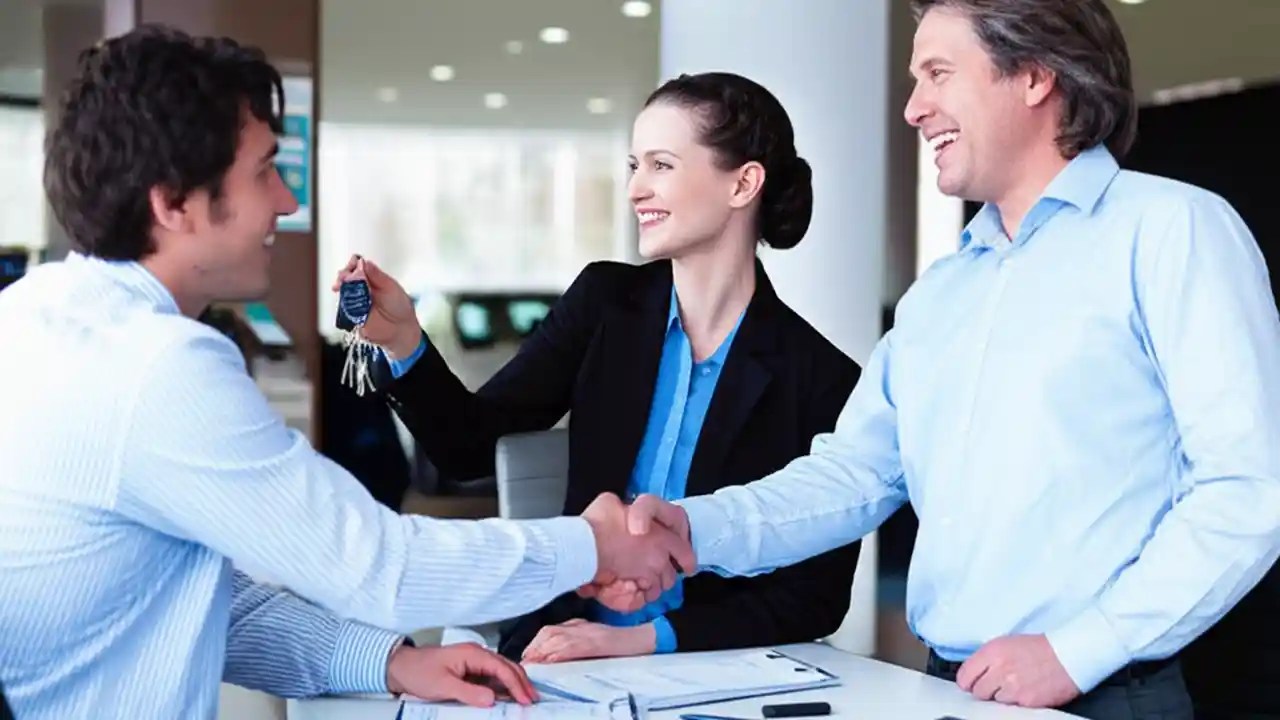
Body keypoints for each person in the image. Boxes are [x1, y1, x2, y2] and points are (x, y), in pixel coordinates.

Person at [603, 1, 1280, 718]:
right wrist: (694, 530)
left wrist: (1078, 651)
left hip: (1106, 693)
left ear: (1033, 77)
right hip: (950, 685)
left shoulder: (1172, 229)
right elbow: (854, 474)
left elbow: (1249, 489)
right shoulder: (945, 289)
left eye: (938, 74)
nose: (914, 109)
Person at [0, 25, 691, 720]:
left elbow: (192, 594)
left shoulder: (36, 315)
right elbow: (378, 565)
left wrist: (388, 661)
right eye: (265, 171)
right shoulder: (155, 365)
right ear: (174, 202)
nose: (287, 202)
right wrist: (592, 543)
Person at [334, 71, 862, 664]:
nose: (636, 189)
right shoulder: (605, 304)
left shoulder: (822, 377)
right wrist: (404, 340)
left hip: (712, 666)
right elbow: (467, 447)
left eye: (661, 165)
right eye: (634, 166)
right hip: (557, 646)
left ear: (743, 183)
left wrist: (640, 639)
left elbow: (815, 599)